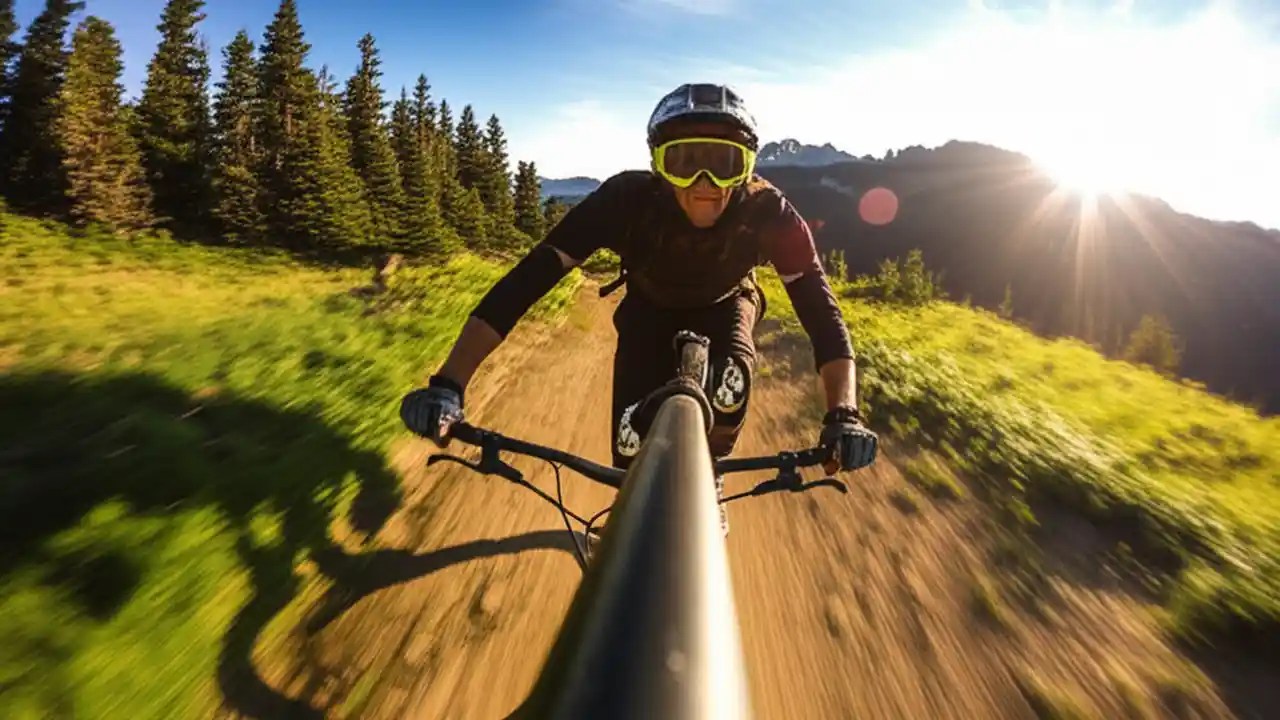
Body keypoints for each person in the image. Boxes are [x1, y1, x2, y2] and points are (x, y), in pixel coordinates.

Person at [400, 82, 878, 534]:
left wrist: (844, 413)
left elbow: (821, 312)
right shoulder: (624, 201)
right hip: (649, 308)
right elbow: (527, 281)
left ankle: (709, 469)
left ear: (748, 167)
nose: (705, 182)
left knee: (731, 378)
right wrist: (449, 383)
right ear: (657, 166)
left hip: (727, 301)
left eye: (725, 164)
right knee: (629, 445)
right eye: (684, 162)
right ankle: (636, 489)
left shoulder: (769, 211)